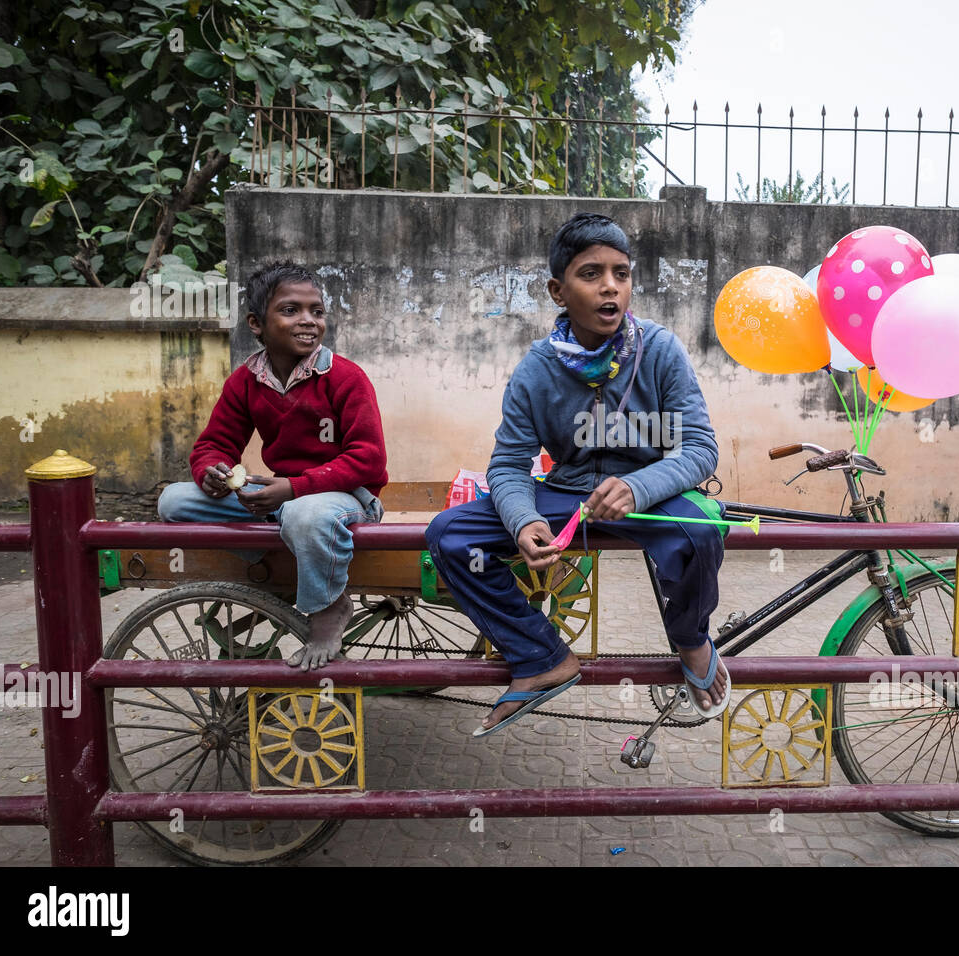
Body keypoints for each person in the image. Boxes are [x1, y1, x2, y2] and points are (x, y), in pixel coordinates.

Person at [426, 213, 728, 737]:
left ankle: (691, 636)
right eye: (591, 274)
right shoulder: (536, 368)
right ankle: (540, 655)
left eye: (621, 273)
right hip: (566, 497)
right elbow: (508, 464)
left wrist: (640, 486)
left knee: (703, 528)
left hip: (653, 498)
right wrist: (521, 521)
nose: (611, 286)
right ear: (557, 291)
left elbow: (699, 448)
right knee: (449, 535)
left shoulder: (659, 350)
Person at [157, 261, 388, 670]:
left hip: (347, 497)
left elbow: (368, 459)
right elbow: (213, 444)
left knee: (305, 513)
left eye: (316, 311)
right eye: (290, 310)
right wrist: (212, 471)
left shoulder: (345, 377)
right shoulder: (245, 381)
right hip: (284, 501)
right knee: (173, 501)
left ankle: (330, 608)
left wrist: (293, 488)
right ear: (256, 323)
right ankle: (282, 554)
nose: (308, 321)